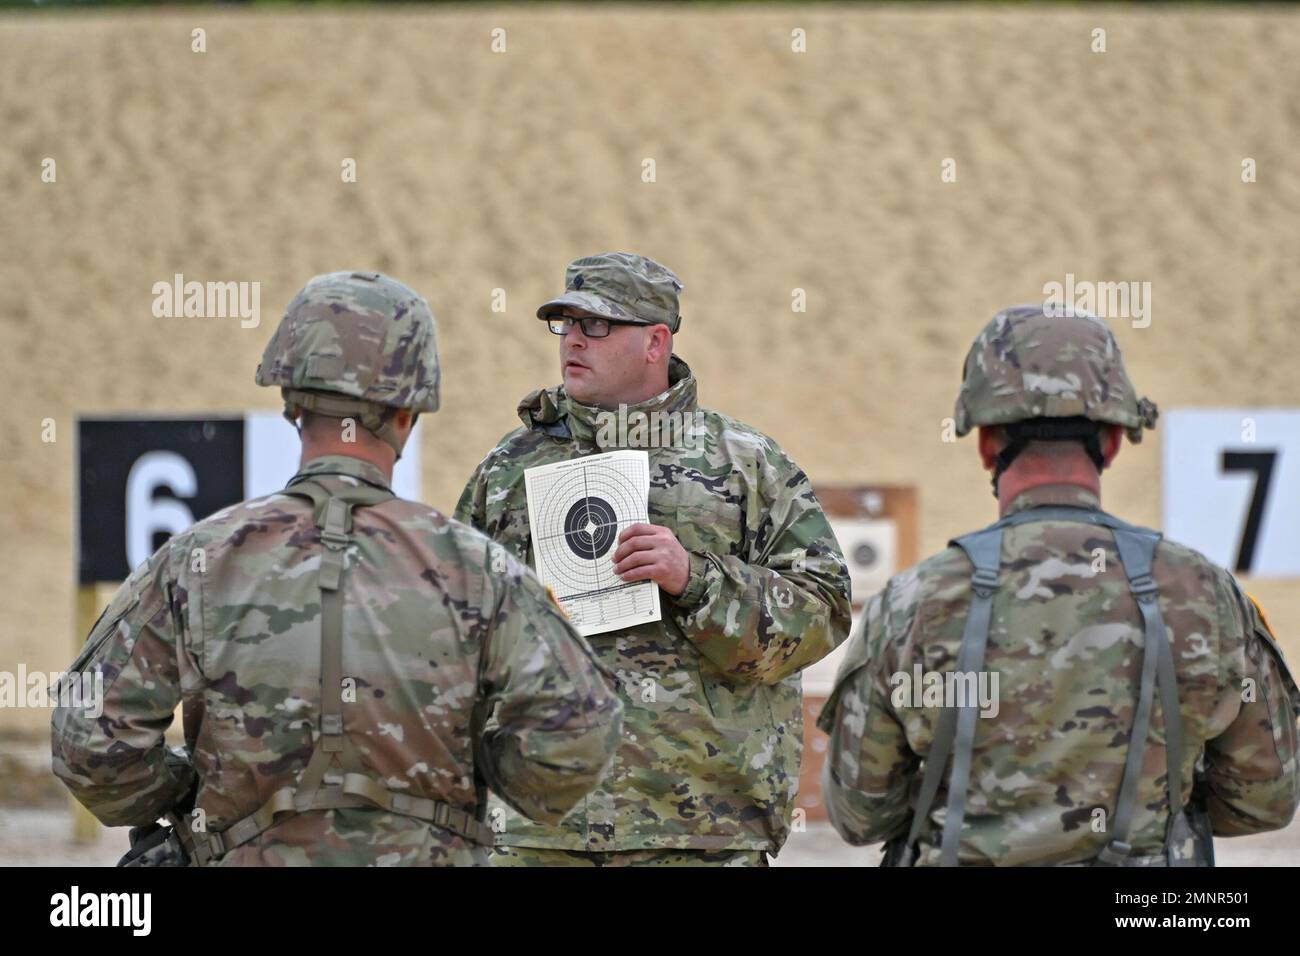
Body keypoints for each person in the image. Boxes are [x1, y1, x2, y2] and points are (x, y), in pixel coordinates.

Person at [52, 270, 624, 866]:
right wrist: (474, 773)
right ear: (408, 413)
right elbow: (580, 733)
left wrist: (189, 794)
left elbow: (90, 744)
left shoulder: (195, 561)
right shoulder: (477, 570)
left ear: (291, 404)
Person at [818, 304, 1300, 866]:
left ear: (986, 444)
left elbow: (859, 813)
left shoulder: (912, 603)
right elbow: (1266, 798)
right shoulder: (1204, 595)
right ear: (1115, 441)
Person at [456, 252, 852, 866]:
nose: (573, 343)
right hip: (538, 830)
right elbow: (452, 629)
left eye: (597, 326)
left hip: (696, 829)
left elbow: (823, 612)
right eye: (565, 324)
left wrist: (697, 581)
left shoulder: (745, 464)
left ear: (656, 342)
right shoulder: (509, 470)